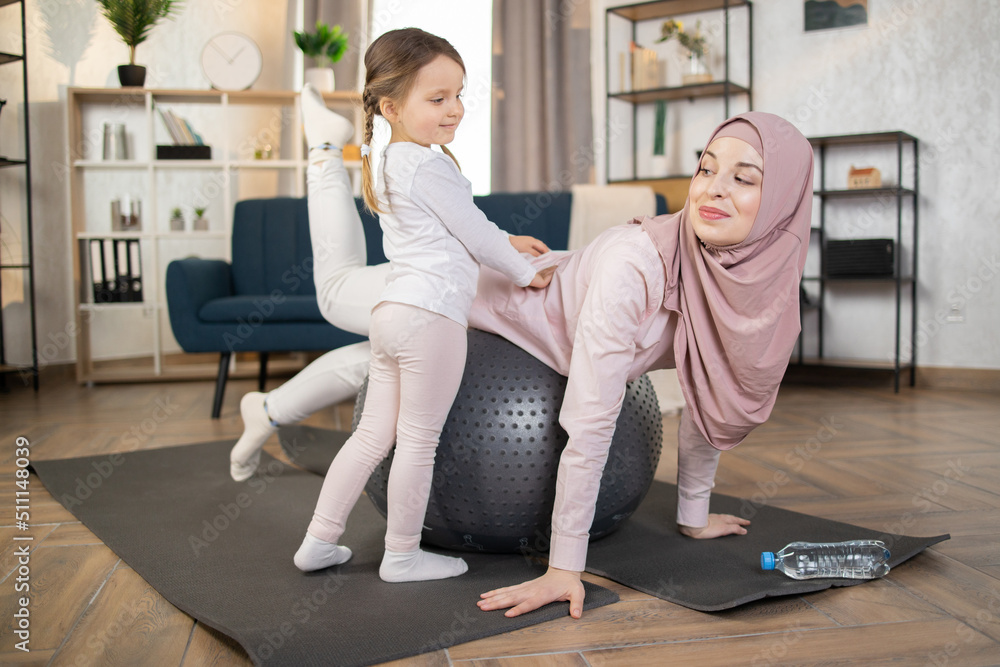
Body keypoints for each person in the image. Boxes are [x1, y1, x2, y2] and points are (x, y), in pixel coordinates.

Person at [229, 52, 814, 608]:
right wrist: (564, 568)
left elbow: (711, 386)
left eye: (744, 178)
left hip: (487, 293)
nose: (713, 188)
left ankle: (269, 409)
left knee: (384, 355)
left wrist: (694, 513)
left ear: (785, 202)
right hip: (461, 288)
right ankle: (324, 148)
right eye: (706, 168)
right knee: (337, 295)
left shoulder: (753, 291)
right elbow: (590, 421)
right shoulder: (636, 266)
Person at [278, 29, 554, 583]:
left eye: (458, 95)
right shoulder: (428, 165)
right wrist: (526, 272)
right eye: (437, 98)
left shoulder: (391, 160)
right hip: (431, 320)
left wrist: (507, 239)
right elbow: (473, 232)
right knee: (419, 441)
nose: (454, 109)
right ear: (391, 107)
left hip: (392, 313)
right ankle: (402, 555)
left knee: (370, 437)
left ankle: (318, 541)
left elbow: (450, 229)